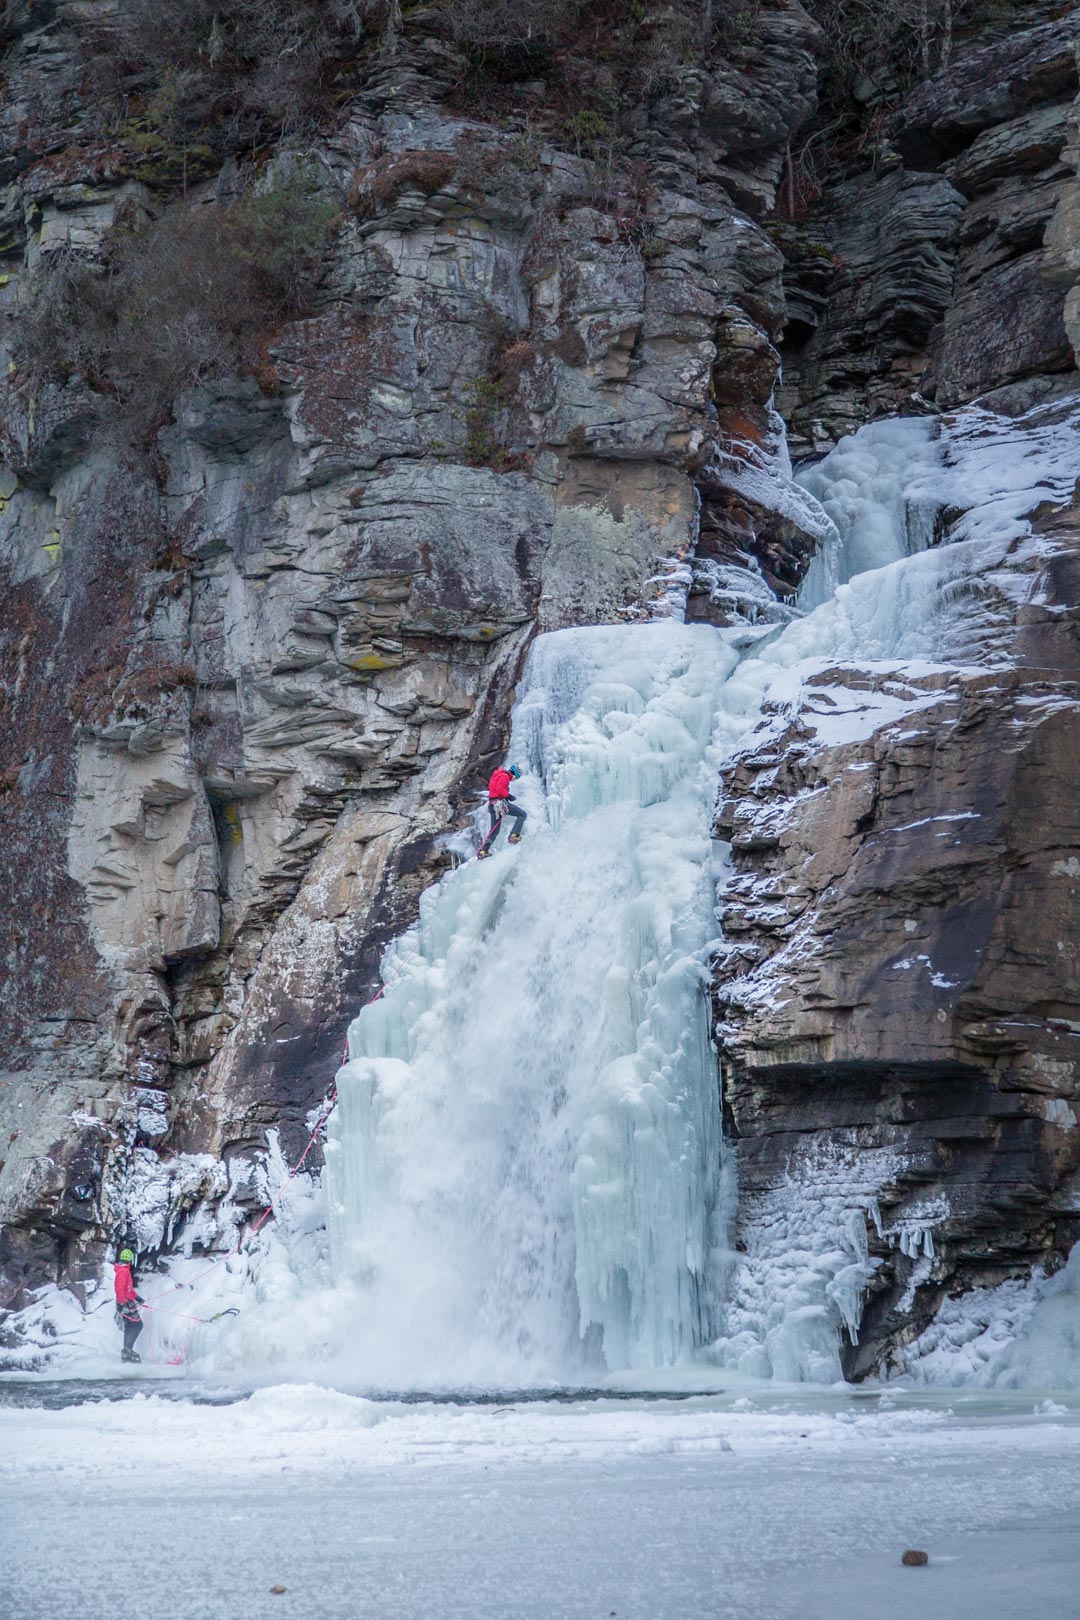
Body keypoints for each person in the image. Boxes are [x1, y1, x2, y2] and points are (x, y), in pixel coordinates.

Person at [477, 763, 526, 858]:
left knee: (494, 831)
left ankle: (483, 851)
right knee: (522, 814)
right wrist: (507, 795)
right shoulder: (505, 776)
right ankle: (514, 835)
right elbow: (500, 789)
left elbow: (495, 789)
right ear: (514, 774)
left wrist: (507, 795)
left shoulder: (498, 776)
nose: (514, 780)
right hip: (499, 804)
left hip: (493, 805)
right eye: (515, 777)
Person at [113, 1246, 145, 1363]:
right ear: (130, 1259)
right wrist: (121, 1303)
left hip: (127, 1301)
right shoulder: (124, 1271)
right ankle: (127, 1349)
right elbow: (120, 1288)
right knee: (137, 1325)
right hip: (125, 1303)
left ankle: (127, 1351)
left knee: (130, 1325)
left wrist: (137, 1298)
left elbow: (128, 1289)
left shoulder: (122, 1270)